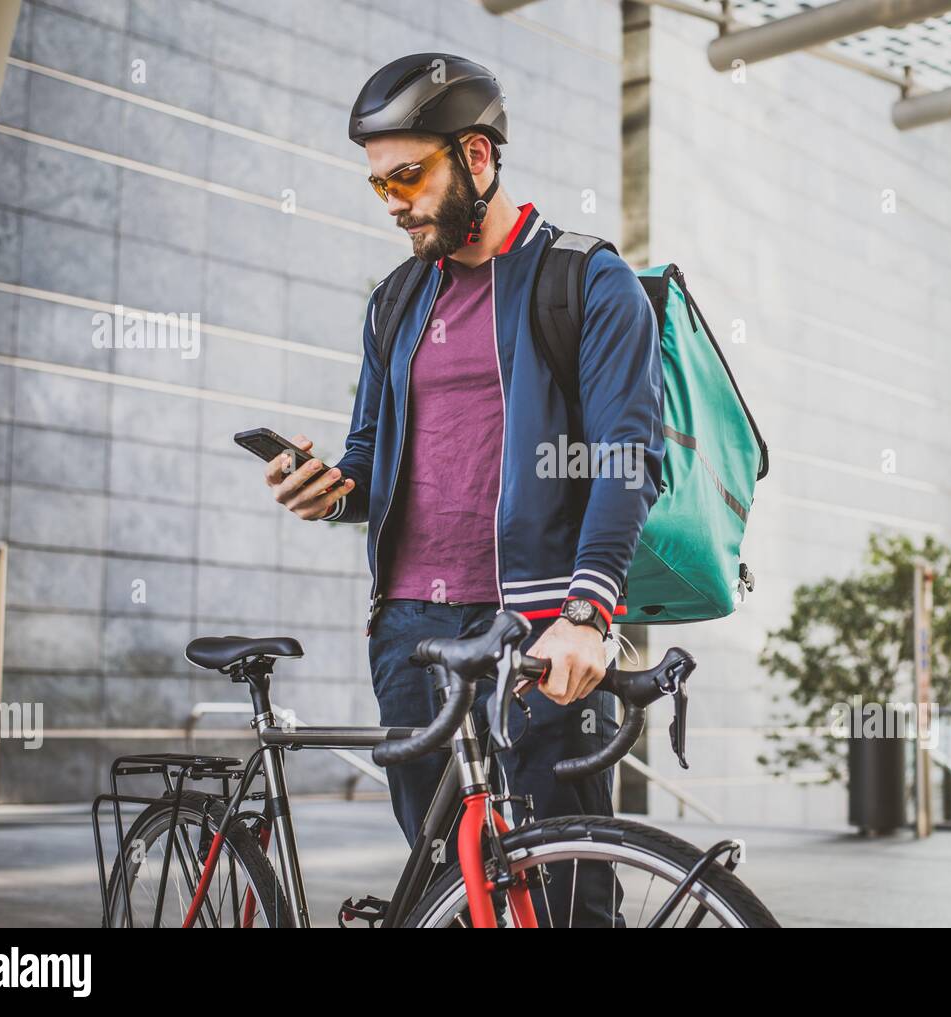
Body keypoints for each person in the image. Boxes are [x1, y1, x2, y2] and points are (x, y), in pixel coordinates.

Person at [263, 53, 663, 925]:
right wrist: (328, 490)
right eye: (379, 186)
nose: (395, 201)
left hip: (537, 625)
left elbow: (628, 460)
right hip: (410, 629)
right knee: (456, 891)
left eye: (409, 175)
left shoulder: (587, 282)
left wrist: (589, 613)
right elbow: (372, 461)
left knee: (565, 900)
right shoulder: (396, 301)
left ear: (477, 158)